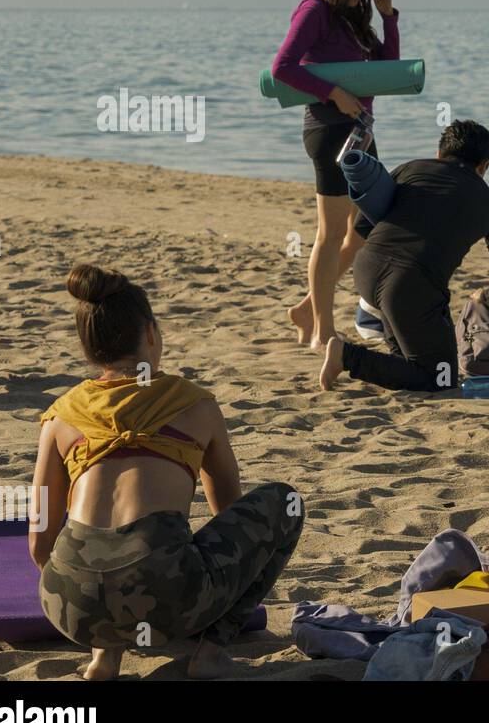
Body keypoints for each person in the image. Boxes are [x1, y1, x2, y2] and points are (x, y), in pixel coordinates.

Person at [31, 265, 304, 679]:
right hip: (166, 598)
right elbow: (230, 512)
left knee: (98, 557)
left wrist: (92, 595)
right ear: (152, 334)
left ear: (88, 347)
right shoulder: (195, 404)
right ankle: (210, 654)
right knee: (285, 503)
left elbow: (39, 542)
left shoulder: (59, 416)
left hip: (68, 607)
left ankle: (104, 654)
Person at [319, 120, 489, 392]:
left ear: (440, 153)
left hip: (367, 268)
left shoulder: (411, 168)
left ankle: (362, 359)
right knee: (441, 377)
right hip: (410, 285)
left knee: (406, 358)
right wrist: (487, 297)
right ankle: (346, 356)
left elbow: (362, 226)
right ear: (484, 165)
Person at [272, 0, 401, 351]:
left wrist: (388, 19)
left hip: (361, 132)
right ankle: (322, 330)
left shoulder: (356, 18)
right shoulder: (315, 11)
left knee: (367, 225)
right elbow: (283, 67)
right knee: (330, 234)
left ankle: (309, 307)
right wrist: (333, 94)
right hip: (329, 130)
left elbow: (387, 71)